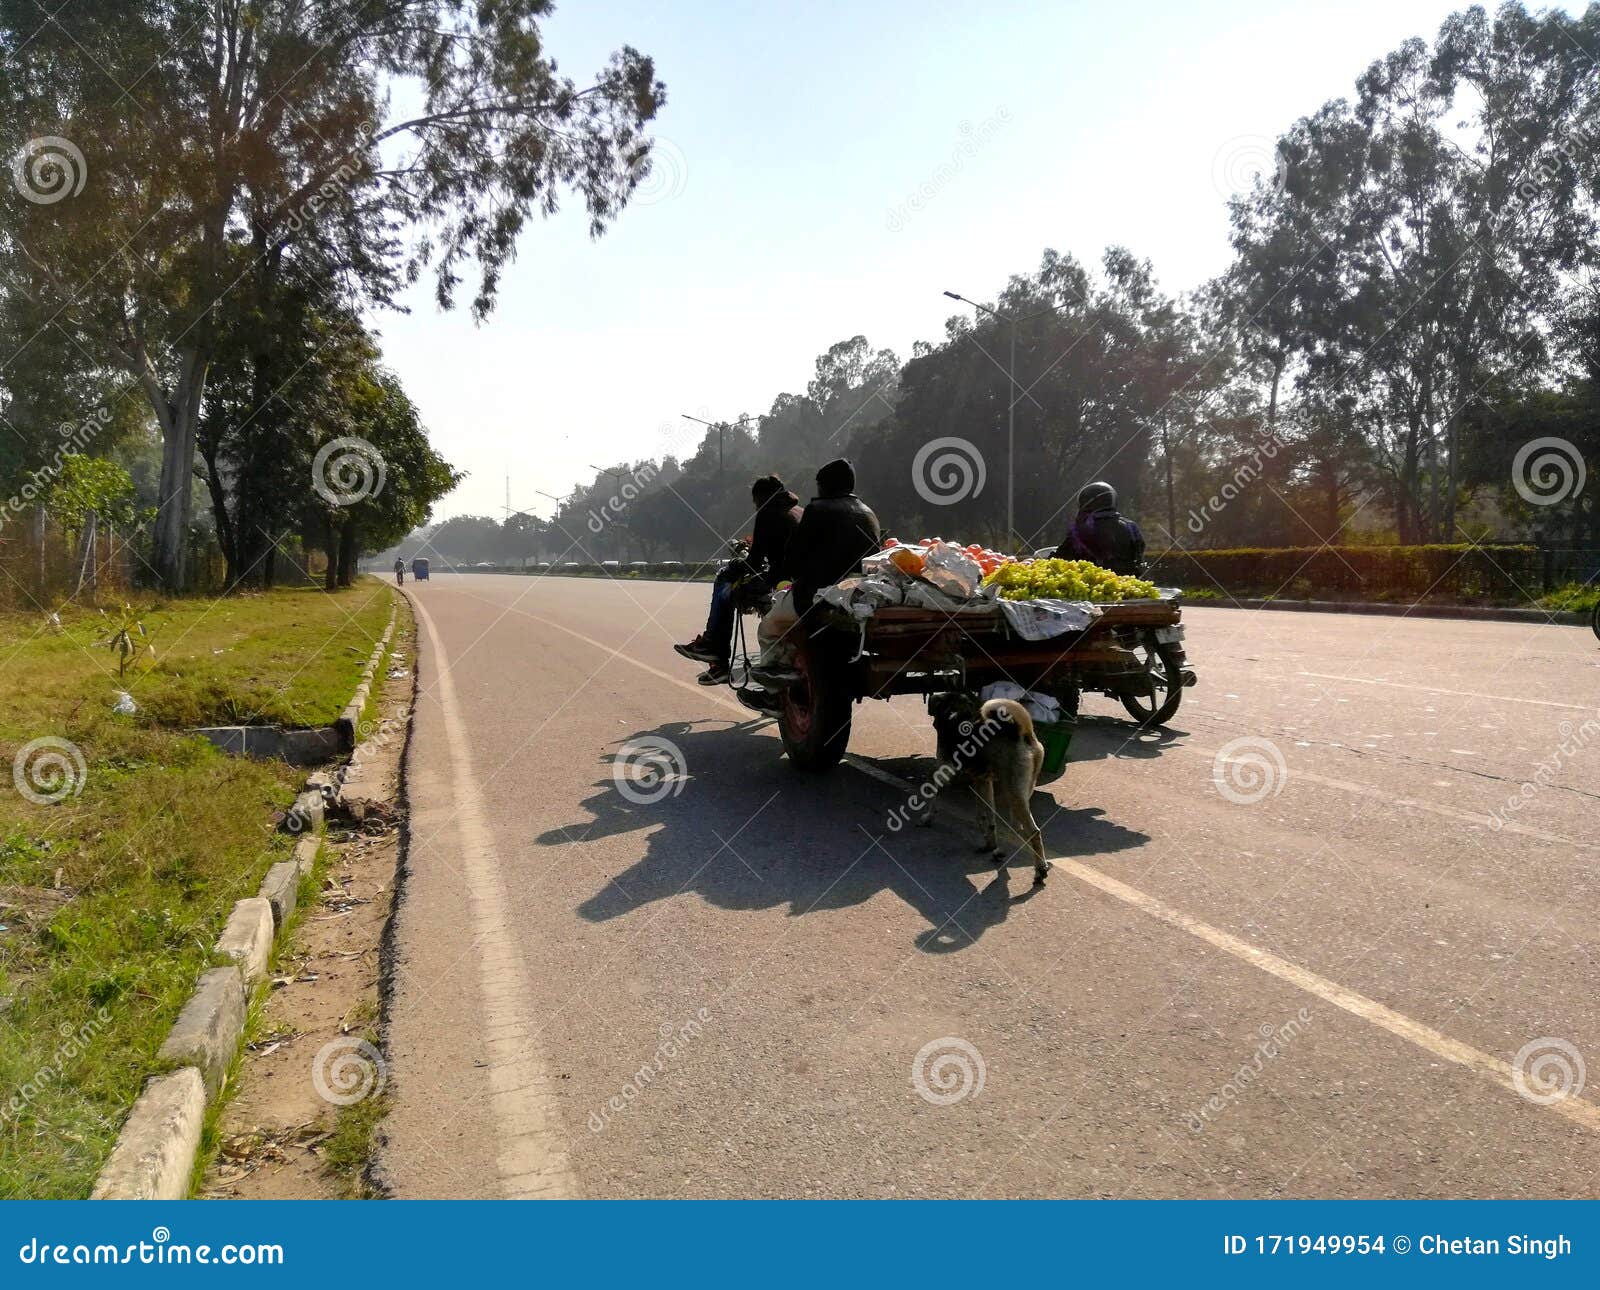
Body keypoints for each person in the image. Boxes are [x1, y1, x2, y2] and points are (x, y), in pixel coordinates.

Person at [674, 475, 802, 684]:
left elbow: (754, 560)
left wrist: (736, 564)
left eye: (755, 501)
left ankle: (714, 647)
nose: (755, 506)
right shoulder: (798, 511)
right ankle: (717, 658)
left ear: (760, 497)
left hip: (780, 582)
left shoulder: (768, 512)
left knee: (725, 579)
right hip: (800, 579)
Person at [789, 457, 881, 615]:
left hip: (820, 596)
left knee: (770, 629)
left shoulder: (816, 509)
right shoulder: (868, 512)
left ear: (824, 486)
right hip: (863, 593)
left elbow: (794, 560)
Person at [1051, 481, 1145, 575]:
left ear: (1086, 502)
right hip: (1130, 584)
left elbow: (1060, 557)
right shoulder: (1131, 526)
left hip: (1093, 584)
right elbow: (1139, 555)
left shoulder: (1081, 528)